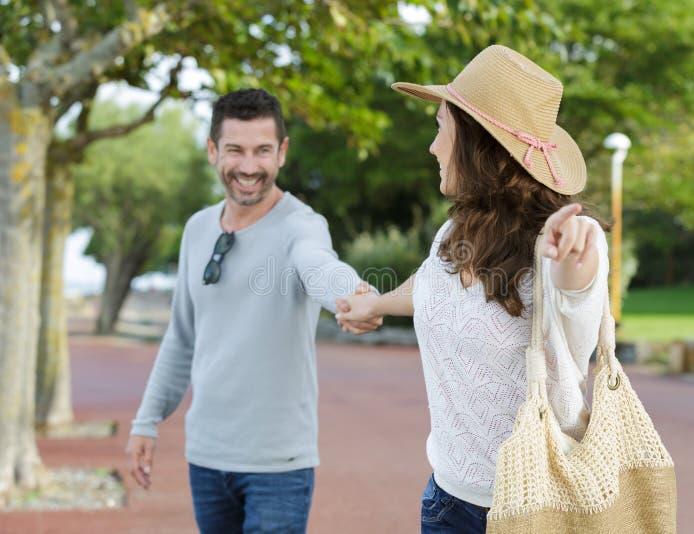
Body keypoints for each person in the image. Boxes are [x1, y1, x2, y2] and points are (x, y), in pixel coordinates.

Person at [335, 45, 610, 533]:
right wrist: (373, 303)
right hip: (446, 501)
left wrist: (576, 255)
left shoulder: (562, 242)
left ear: (476, 142)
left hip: (536, 511)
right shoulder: (456, 232)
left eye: (441, 127)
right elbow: (431, 285)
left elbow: (575, 294)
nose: (433, 146)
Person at [126, 88, 381, 534]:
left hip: (278, 467)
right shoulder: (197, 228)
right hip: (205, 458)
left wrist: (354, 297)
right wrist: (146, 422)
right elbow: (181, 338)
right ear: (212, 151)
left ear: (282, 153)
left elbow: (317, 263)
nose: (248, 167)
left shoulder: (301, 225)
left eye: (262, 150)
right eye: (235, 150)